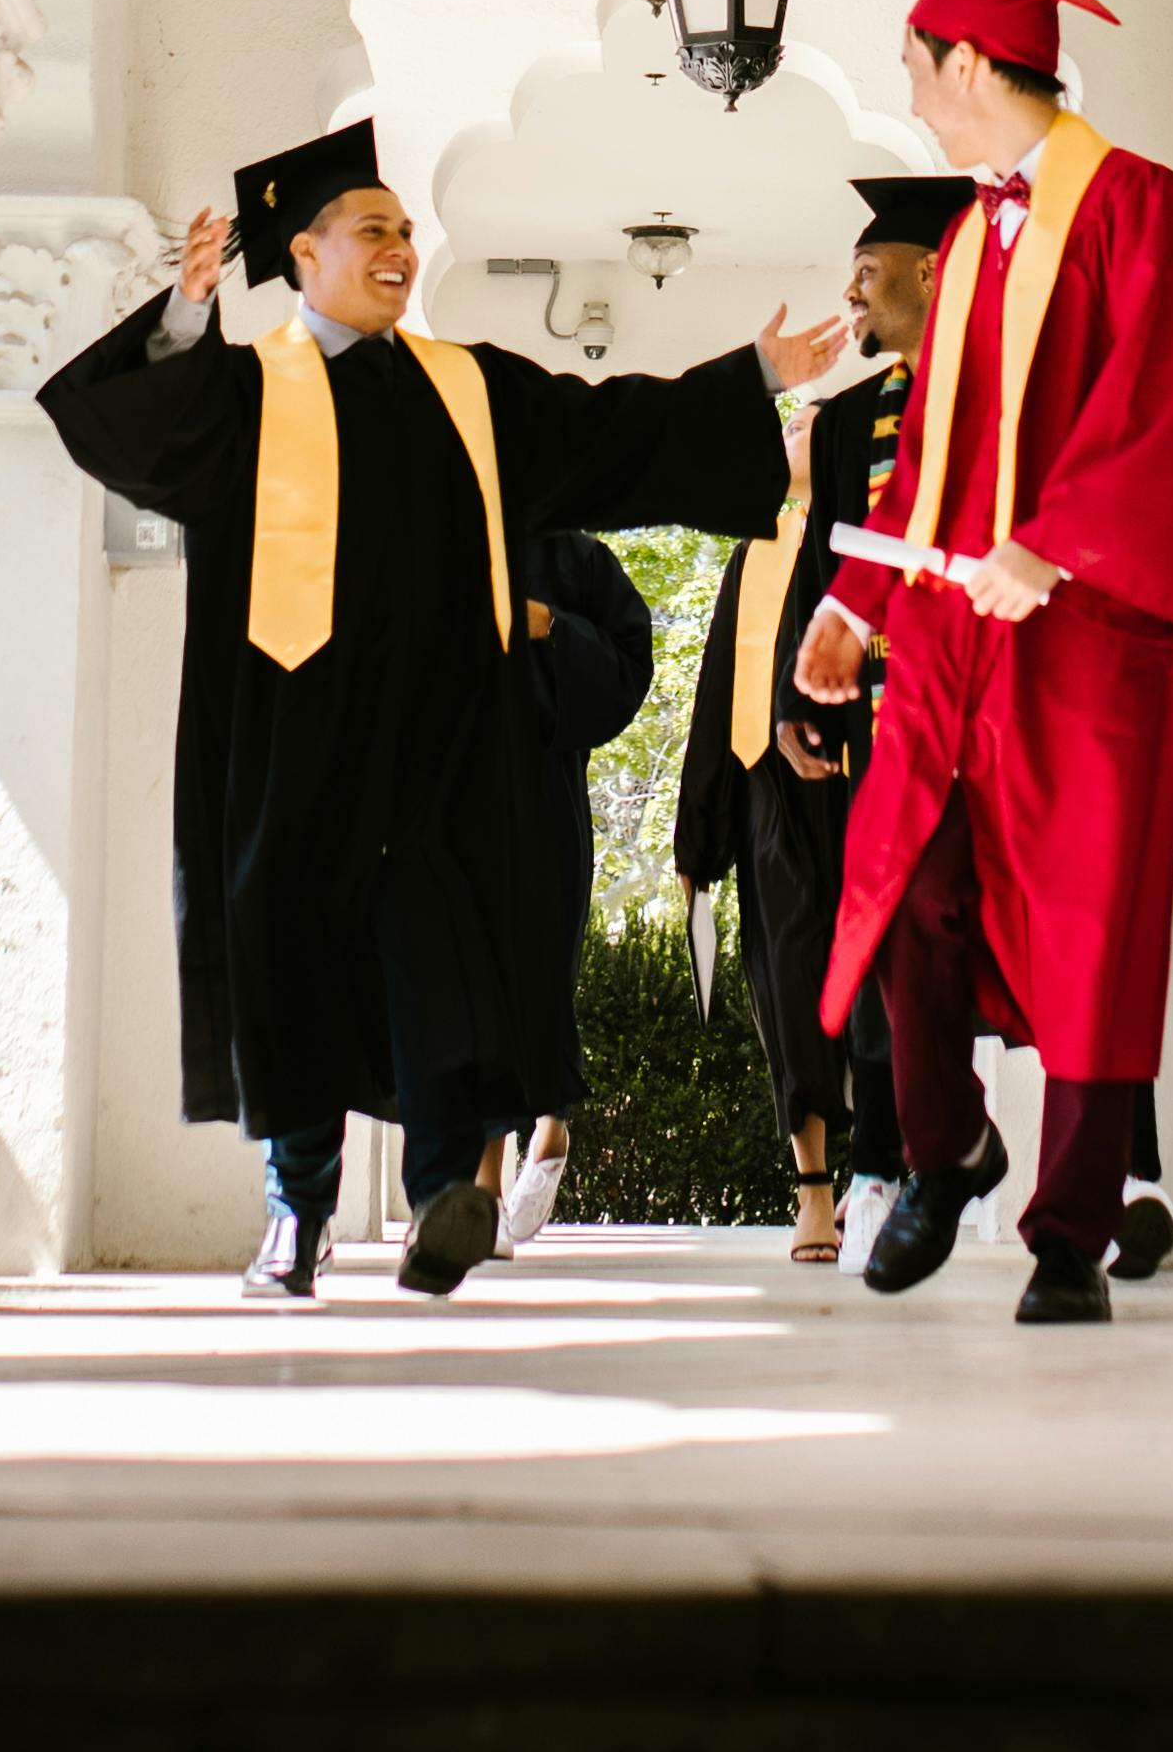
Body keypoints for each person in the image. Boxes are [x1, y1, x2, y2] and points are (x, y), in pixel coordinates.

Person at [42, 117, 836, 1301]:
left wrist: (752, 378)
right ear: (302, 253)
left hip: (444, 745)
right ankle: (296, 1214)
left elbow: (600, 428)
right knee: (295, 958)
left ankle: (436, 1202)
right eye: (373, 228)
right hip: (295, 738)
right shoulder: (250, 388)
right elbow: (134, 429)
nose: (400, 245)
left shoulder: (466, 387)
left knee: (440, 966)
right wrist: (180, 316)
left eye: (407, 229)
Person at [796, 0, 1173, 1326]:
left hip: (1083, 637)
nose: (910, 95)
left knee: (1090, 921)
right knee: (909, 890)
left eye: (917, 69)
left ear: (976, 61)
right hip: (945, 637)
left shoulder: (1136, 210)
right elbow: (924, 440)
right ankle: (945, 1148)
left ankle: (1067, 1233)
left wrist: (1052, 543)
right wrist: (848, 602)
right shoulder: (974, 238)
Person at [678, 174, 951, 1259]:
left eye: (866, 277)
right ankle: (879, 1165)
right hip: (871, 732)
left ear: (930, 273)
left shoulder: (993, 395)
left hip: (971, 714)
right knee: (874, 953)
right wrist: (800, 703)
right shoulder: (846, 422)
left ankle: (1053, 1164)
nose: (851, 299)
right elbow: (820, 577)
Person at [495, 520, 657, 1252]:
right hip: (446, 790)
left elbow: (629, 661)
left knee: (535, 975)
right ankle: (473, 1185)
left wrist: (548, 626)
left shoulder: (576, 554)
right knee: (464, 980)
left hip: (541, 798)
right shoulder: (442, 526)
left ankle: (545, 1125)